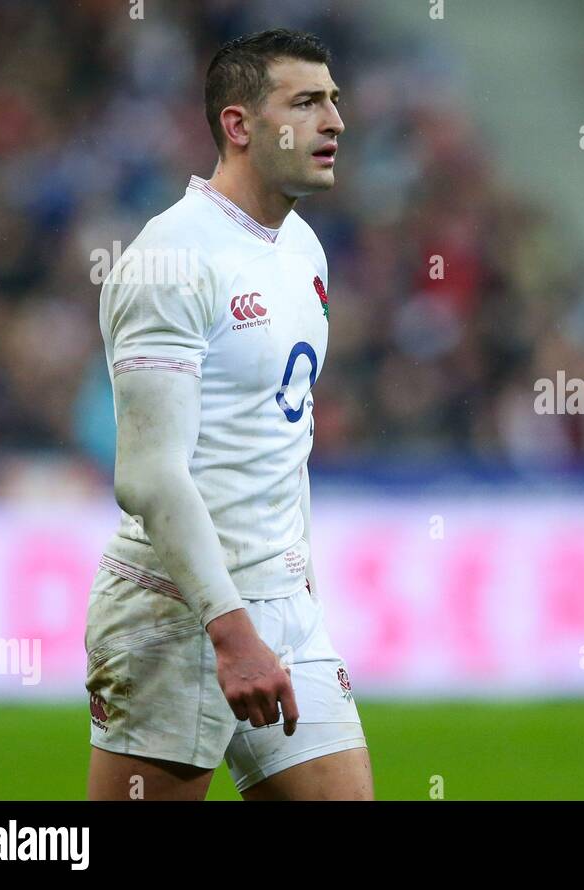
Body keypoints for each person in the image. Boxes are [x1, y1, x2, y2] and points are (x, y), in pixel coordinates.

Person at [85, 28, 372, 800]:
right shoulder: (170, 259)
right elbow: (148, 476)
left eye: (334, 100)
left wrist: (299, 585)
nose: (335, 121)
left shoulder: (302, 249)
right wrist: (231, 629)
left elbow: (282, 434)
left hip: (283, 608)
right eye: (306, 102)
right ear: (239, 125)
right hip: (180, 614)